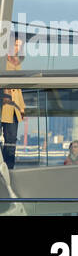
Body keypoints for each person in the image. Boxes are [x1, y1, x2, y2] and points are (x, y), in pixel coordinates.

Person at [0, 38, 24, 170]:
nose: (17, 48)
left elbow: (18, 87)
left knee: (11, 139)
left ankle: (9, 168)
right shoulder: (3, 59)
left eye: (19, 46)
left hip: (14, 107)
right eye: (15, 45)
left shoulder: (17, 61)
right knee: (9, 138)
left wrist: (22, 107)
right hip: (4, 103)